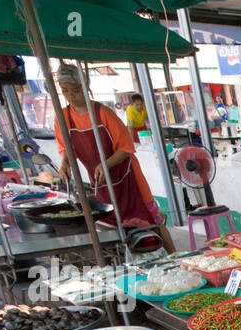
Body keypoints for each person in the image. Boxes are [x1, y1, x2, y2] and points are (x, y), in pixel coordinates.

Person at [52, 64, 174, 253]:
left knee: (152, 218)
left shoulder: (103, 113)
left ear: (85, 87)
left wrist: (105, 164)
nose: (71, 95)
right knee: (116, 225)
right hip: (101, 182)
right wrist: (65, 164)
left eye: (75, 90)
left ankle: (177, 259)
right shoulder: (63, 117)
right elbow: (67, 150)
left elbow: (126, 147)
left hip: (128, 177)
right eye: (65, 91)